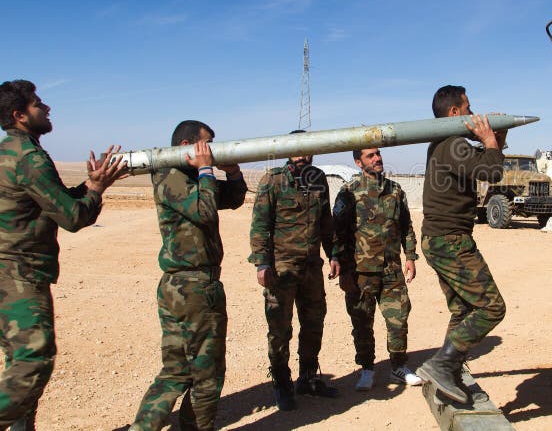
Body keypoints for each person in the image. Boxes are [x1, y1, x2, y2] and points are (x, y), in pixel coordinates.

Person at [0, 79, 128, 429]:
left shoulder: (10, 151)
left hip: (9, 270)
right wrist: (97, 189)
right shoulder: (29, 158)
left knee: (18, 360)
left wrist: (89, 185)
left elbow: (50, 200)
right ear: (20, 115)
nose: (46, 108)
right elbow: (72, 217)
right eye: (37, 104)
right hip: (18, 272)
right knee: (33, 361)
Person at [130, 120, 247, 431]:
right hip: (193, 286)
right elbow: (205, 211)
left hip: (185, 285)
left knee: (176, 371)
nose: (211, 150)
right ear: (187, 146)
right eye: (206, 143)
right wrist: (207, 169)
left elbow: (233, 199)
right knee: (206, 375)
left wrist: (233, 172)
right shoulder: (170, 175)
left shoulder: (188, 177)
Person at [416, 85, 507, 404]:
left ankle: (448, 373)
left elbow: (481, 162)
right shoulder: (453, 144)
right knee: (491, 307)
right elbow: (492, 172)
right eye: (468, 108)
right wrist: (490, 141)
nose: (473, 113)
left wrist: (498, 138)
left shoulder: (444, 143)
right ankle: (442, 364)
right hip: (449, 240)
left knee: (463, 309)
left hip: (441, 239)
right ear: (454, 112)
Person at [249, 131, 338, 411]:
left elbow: (326, 222)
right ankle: (282, 382)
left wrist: (333, 254)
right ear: (288, 151)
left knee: (314, 323)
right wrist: (262, 263)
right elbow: (260, 225)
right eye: (297, 149)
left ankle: (308, 378)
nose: (302, 155)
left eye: (307, 149)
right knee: (280, 328)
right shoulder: (273, 180)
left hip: (311, 268)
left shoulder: (318, 179)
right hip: (282, 269)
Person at [332, 148, 423, 392]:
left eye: (378, 153)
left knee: (398, 319)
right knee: (362, 322)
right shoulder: (349, 192)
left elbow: (406, 226)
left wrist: (410, 257)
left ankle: (398, 366)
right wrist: (342, 268)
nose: (377, 158)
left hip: (391, 269)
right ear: (358, 162)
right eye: (370, 156)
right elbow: (338, 232)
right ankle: (367, 369)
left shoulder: (395, 190)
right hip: (360, 272)